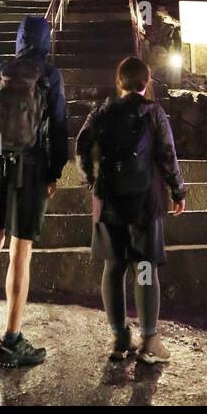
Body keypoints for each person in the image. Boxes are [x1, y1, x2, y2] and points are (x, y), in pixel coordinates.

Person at [76, 56, 186, 364]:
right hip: (145, 201)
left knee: (113, 268)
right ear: (146, 82)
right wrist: (178, 191)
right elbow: (167, 154)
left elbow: (82, 147)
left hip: (109, 201)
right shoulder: (154, 113)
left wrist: (91, 181)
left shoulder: (102, 112)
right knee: (146, 268)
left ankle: (118, 338)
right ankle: (149, 340)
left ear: (119, 81)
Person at [0, 14, 68, 368]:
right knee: (20, 253)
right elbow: (58, 126)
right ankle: (12, 340)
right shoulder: (50, 75)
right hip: (31, 167)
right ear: (45, 42)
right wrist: (55, 171)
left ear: (18, 40)